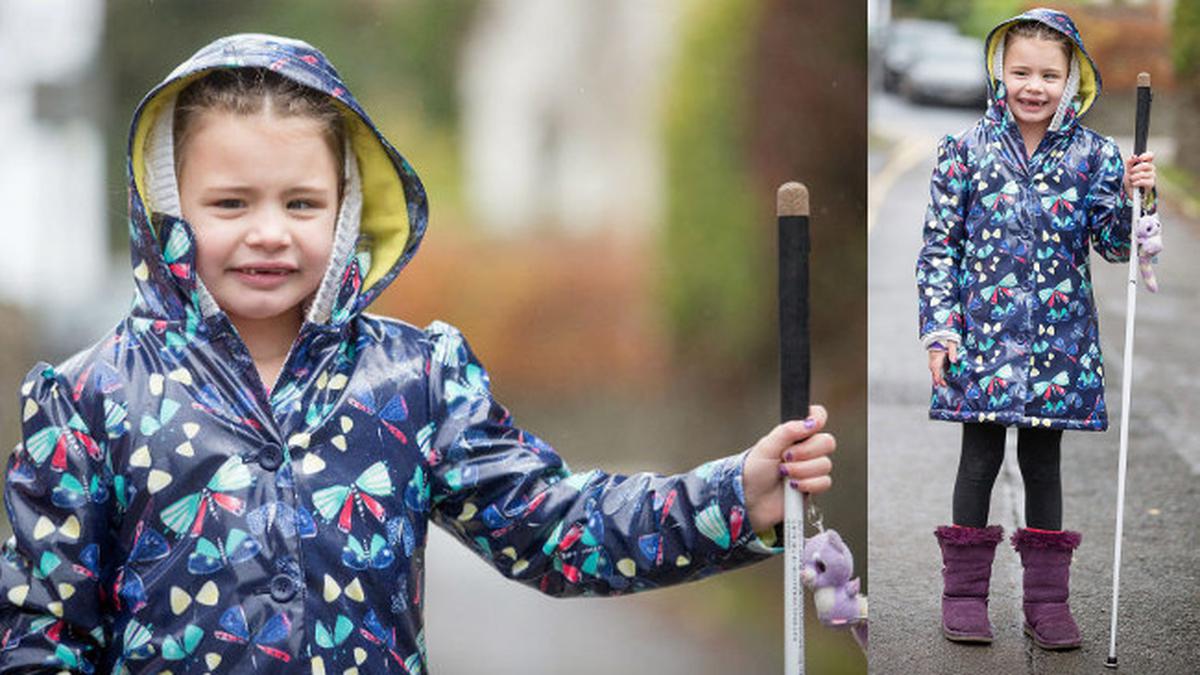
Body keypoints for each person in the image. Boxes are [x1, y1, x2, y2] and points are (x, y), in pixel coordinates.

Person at [0, 34, 835, 673]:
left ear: (347, 210)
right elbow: (44, 633)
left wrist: (733, 497)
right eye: (229, 202)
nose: (268, 231)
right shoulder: (90, 401)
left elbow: (554, 527)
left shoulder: (412, 380)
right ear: (168, 204)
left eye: (302, 201)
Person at [914, 9, 1158, 651]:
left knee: (1044, 465)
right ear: (1000, 72)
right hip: (982, 340)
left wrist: (1140, 199)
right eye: (1021, 70)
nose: (1034, 85)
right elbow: (940, 248)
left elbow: (1114, 244)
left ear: (1073, 79)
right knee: (979, 459)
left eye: (1049, 74)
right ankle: (964, 597)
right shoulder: (964, 151)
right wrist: (940, 331)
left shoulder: (1094, 155)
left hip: (1059, 346)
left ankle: (1047, 604)